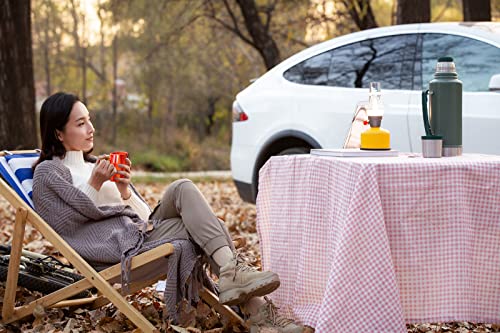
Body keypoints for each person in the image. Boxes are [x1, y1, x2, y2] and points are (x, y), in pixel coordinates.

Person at [32, 92, 304, 333]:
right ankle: (259, 312)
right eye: (80, 124)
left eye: (89, 119)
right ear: (58, 133)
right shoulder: (49, 173)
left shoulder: (94, 162)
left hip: (137, 234)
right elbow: (70, 226)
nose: (91, 128)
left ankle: (238, 282)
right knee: (205, 228)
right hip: (115, 250)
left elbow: (143, 216)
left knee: (182, 189)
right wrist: (95, 184)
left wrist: (125, 191)